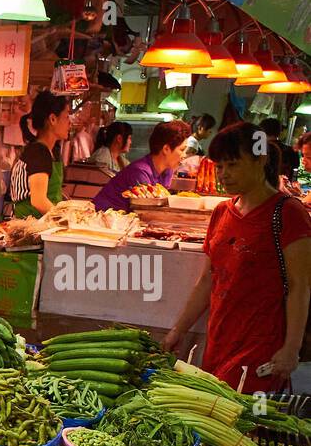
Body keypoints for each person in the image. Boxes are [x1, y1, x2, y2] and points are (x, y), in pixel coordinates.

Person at [163, 122, 311, 393]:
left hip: (262, 348)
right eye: (219, 166)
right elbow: (207, 279)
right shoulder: (222, 212)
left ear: (260, 160)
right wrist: (178, 330)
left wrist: (291, 347)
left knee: (251, 421)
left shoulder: (288, 213)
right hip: (218, 342)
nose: (224, 174)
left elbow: (300, 285)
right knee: (214, 416)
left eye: (232, 165)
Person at [92, 119, 191, 212]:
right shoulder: (140, 172)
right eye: (182, 150)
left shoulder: (167, 171)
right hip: (103, 220)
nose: (184, 155)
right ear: (166, 149)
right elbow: (147, 212)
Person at [8, 90, 71, 218]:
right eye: (67, 116)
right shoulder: (38, 152)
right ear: (53, 119)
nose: (70, 122)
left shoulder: (51, 151)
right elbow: (39, 201)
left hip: (44, 226)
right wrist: (66, 221)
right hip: (30, 228)